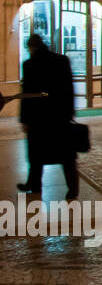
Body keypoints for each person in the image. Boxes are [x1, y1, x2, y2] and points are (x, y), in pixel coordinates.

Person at [16, 34, 78, 199]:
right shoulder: (62, 60)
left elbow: (27, 95)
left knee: (36, 154)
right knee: (66, 155)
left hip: (38, 117)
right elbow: (69, 88)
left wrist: (24, 120)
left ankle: (34, 185)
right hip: (60, 115)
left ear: (31, 47)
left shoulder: (29, 65)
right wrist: (70, 111)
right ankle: (73, 188)